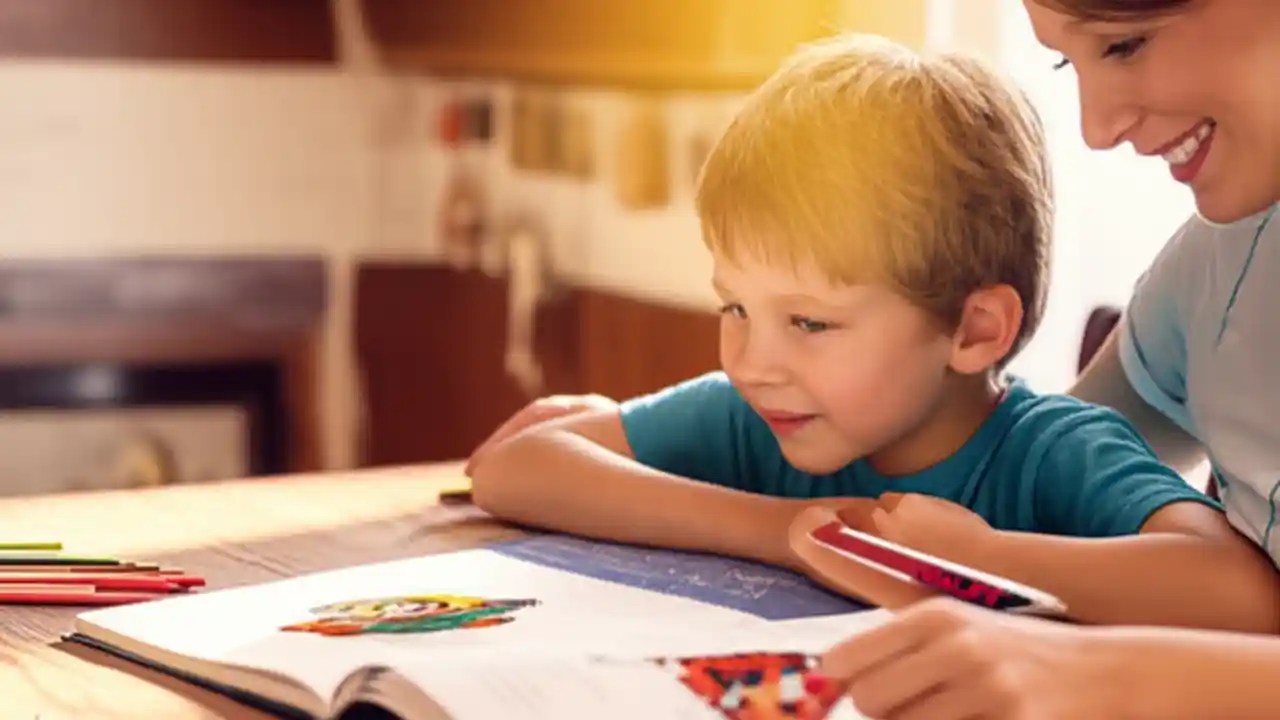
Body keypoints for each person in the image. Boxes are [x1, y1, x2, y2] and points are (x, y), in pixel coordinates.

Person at [465, 33, 1280, 630]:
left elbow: (1242, 594)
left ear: (974, 330)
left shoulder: (1055, 452)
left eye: (810, 321)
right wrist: (788, 532)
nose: (752, 361)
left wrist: (982, 559)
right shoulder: (766, 418)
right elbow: (514, 469)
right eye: (734, 308)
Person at [810, 1, 1280, 717]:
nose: (1097, 130)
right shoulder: (1219, 261)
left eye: (1124, 46)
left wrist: (1103, 674)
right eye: (1069, 61)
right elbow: (1024, 471)